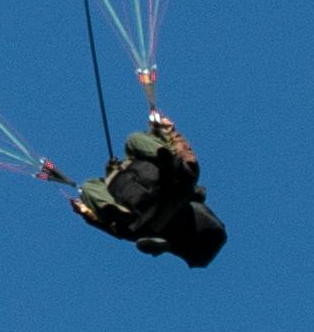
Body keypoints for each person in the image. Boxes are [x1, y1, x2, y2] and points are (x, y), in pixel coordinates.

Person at [53, 111, 226, 270]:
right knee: (134, 141)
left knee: (89, 186)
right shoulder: (147, 230)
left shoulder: (144, 230)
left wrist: (85, 212)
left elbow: (110, 228)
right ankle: (163, 159)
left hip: (152, 204)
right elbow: (184, 154)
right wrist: (168, 130)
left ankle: (113, 208)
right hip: (163, 188)